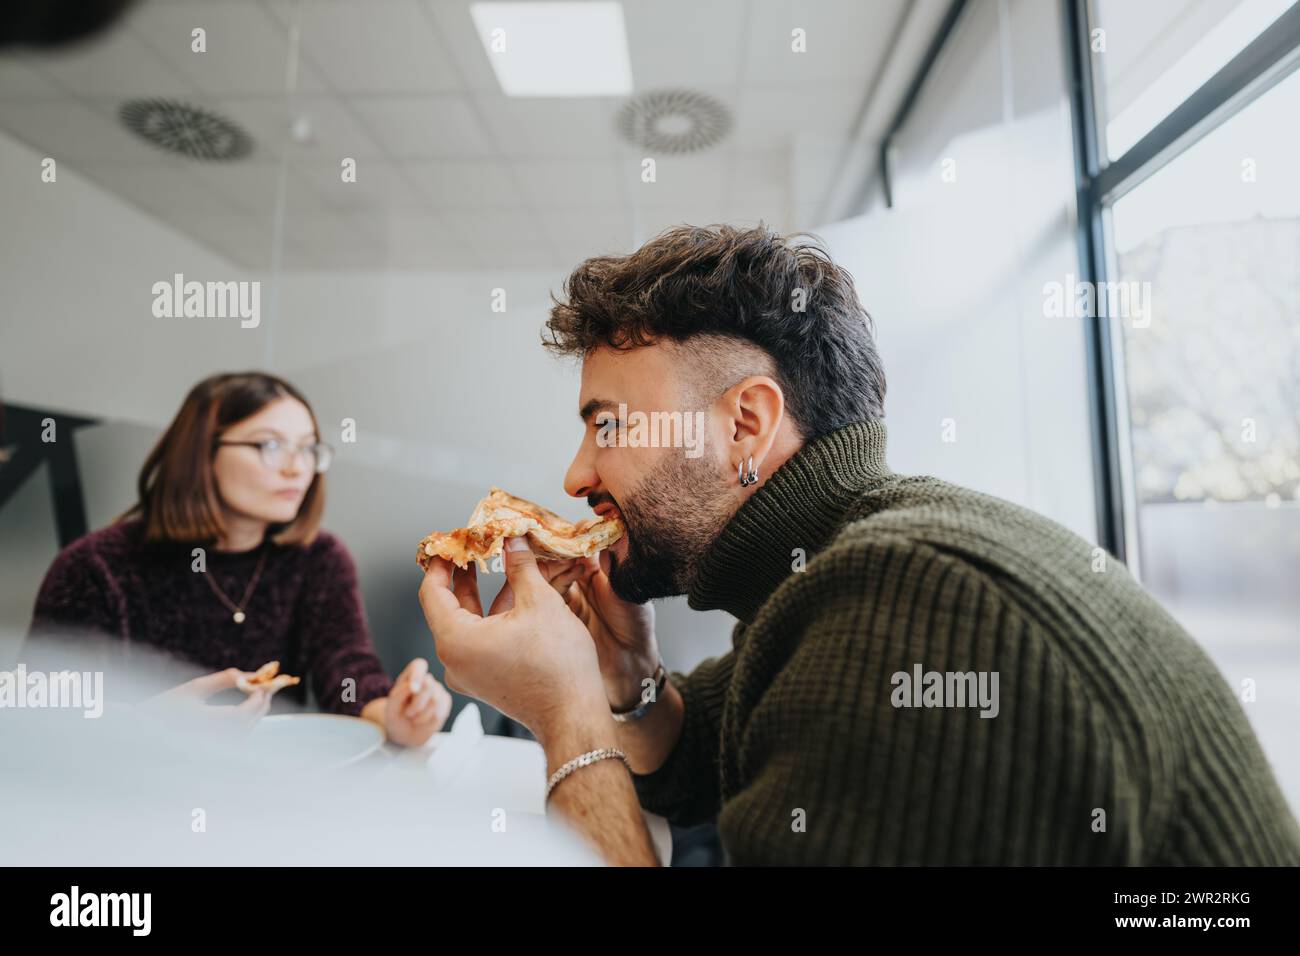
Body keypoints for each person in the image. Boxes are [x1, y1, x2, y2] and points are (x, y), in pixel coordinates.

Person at [418, 223, 1300, 865]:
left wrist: (565, 713)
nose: (575, 476)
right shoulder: (831, 570)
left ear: (746, 426)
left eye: (606, 424)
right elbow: (699, 757)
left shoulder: (919, 601)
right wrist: (624, 683)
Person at [28, 371, 450, 745]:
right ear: (202, 454)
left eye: (308, 449)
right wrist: (144, 724)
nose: (296, 468)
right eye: (270, 446)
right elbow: (40, 717)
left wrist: (394, 715)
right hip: (123, 801)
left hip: (262, 796)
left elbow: (345, 670)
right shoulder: (96, 568)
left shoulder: (318, 559)